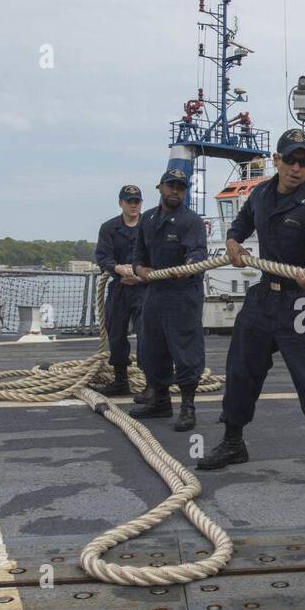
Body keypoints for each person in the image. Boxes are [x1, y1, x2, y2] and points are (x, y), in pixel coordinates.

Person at [195, 128, 305, 496]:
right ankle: (234, 441)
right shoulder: (261, 192)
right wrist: (232, 240)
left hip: (300, 300)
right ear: (276, 160)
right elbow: (243, 221)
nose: (296, 167)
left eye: (304, 161)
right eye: (290, 159)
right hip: (263, 297)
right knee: (240, 369)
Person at [129, 169, 207, 431]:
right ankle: (160, 401)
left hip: (183, 294)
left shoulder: (191, 221)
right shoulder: (148, 219)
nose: (176, 191)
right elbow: (138, 256)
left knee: (186, 351)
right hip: (155, 293)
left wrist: (188, 265)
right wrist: (141, 271)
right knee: (152, 348)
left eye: (181, 187)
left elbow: (198, 252)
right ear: (160, 187)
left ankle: (188, 406)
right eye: (171, 186)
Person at [92, 184, 148, 397]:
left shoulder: (149, 226)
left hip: (144, 288)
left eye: (137, 201)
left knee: (146, 335)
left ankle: (149, 384)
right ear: (121, 203)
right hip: (119, 288)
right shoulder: (108, 228)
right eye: (129, 201)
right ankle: (120, 379)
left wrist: (139, 274)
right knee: (115, 332)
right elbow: (103, 256)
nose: (133, 205)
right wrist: (117, 268)